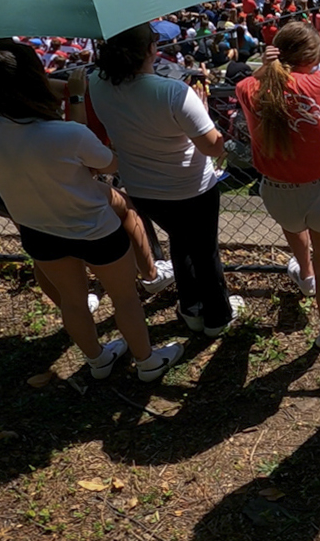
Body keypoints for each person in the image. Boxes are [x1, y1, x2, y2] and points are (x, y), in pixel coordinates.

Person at [0, 44, 181, 382]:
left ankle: (97, 360)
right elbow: (106, 163)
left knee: (73, 301)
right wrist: (77, 96)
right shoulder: (66, 133)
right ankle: (147, 362)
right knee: (125, 298)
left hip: (38, 230)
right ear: (36, 79)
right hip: (94, 229)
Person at [90, 22, 241, 337]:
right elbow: (213, 145)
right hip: (192, 187)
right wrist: (201, 109)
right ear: (151, 49)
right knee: (204, 251)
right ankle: (217, 317)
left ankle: (191, 308)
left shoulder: (95, 84)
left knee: (180, 241)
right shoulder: (175, 92)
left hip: (143, 188)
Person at [235, 21, 320, 349]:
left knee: (295, 231)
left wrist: (266, 67)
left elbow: (245, 83)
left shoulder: (249, 89)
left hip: (277, 191)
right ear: (313, 56)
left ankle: (305, 275)